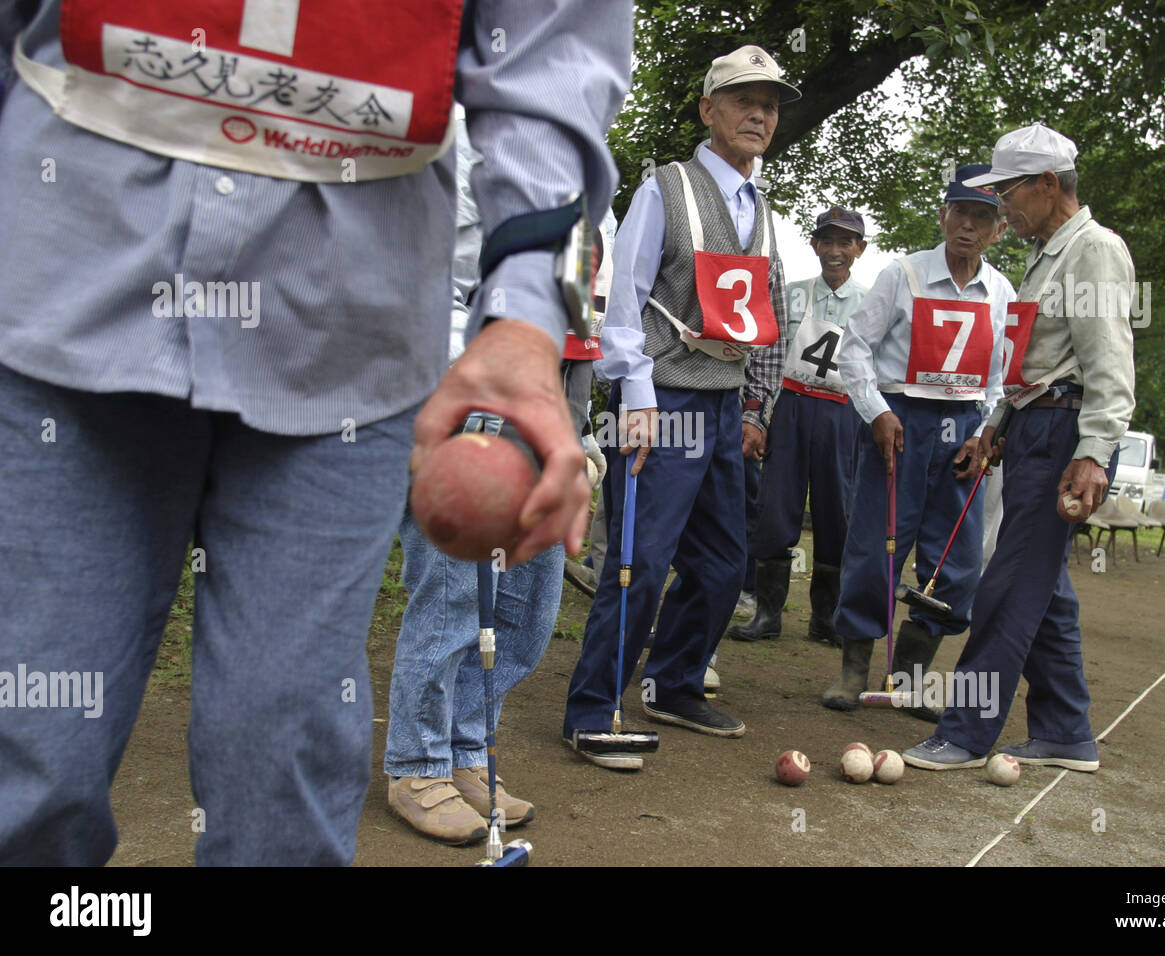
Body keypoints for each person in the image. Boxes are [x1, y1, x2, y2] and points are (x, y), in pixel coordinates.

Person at [0, 1, 631, 864]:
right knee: (28, 772)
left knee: (280, 786)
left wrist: (525, 319)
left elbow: (550, 57)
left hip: (346, 341)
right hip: (56, 290)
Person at [562, 44, 796, 768]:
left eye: (770, 102)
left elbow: (760, 316)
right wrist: (634, 396)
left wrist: (756, 407)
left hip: (725, 408)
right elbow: (623, 300)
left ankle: (674, 681)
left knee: (726, 563)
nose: (759, 113)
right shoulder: (665, 189)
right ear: (708, 110)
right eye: (743, 100)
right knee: (638, 559)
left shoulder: (761, 207)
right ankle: (592, 709)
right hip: (665, 400)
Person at [385, 111, 607, 846]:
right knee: (452, 593)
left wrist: (582, 421)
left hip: (544, 402)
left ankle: (468, 749)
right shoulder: (446, 130)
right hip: (462, 377)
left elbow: (580, 308)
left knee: (528, 599)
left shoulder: (585, 161)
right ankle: (417, 762)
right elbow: (433, 276)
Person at [902, 124, 1137, 772]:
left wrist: (1093, 453)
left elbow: (1109, 367)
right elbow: (1035, 366)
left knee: (1006, 585)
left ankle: (964, 732)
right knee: (1045, 587)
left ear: (1048, 185)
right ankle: (1065, 729)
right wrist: (995, 429)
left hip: (1067, 436)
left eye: (1009, 191)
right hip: (1035, 426)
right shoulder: (1046, 256)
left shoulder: (1093, 251)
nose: (1002, 206)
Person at [824, 166, 1013, 718]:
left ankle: (911, 672)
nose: (968, 227)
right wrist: (877, 411)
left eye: (982, 218)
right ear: (943, 215)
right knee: (875, 544)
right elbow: (856, 346)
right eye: (960, 213)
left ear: (999, 229)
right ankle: (854, 666)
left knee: (956, 560)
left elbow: (1003, 375)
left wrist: (985, 432)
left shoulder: (1002, 291)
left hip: (963, 430)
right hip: (899, 423)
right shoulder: (901, 274)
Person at [728, 206, 870, 645]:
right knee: (776, 508)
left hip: (842, 413)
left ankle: (825, 617)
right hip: (790, 408)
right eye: (826, 241)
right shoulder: (790, 294)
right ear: (814, 245)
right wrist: (760, 413)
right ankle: (767, 613)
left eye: (845, 242)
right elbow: (765, 354)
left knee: (836, 512)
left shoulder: (870, 302)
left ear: (860, 249)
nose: (835, 251)